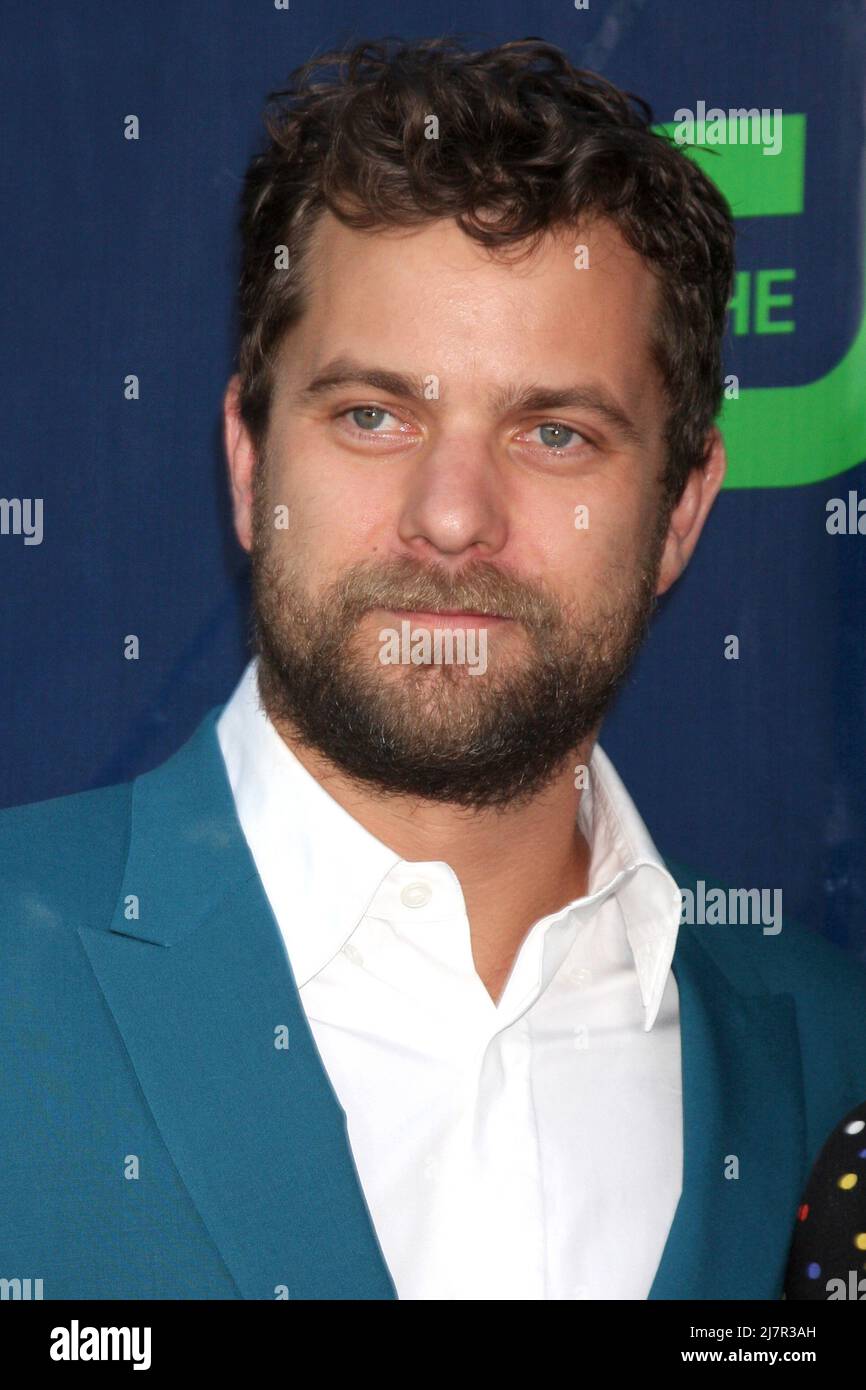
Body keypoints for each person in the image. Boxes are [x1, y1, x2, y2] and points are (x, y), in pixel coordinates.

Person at [2, 35, 865, 1301]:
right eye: (371, 415)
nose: (451, 514)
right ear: (249, 464)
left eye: (554, 432)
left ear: (680, 508)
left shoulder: (831, 1058)